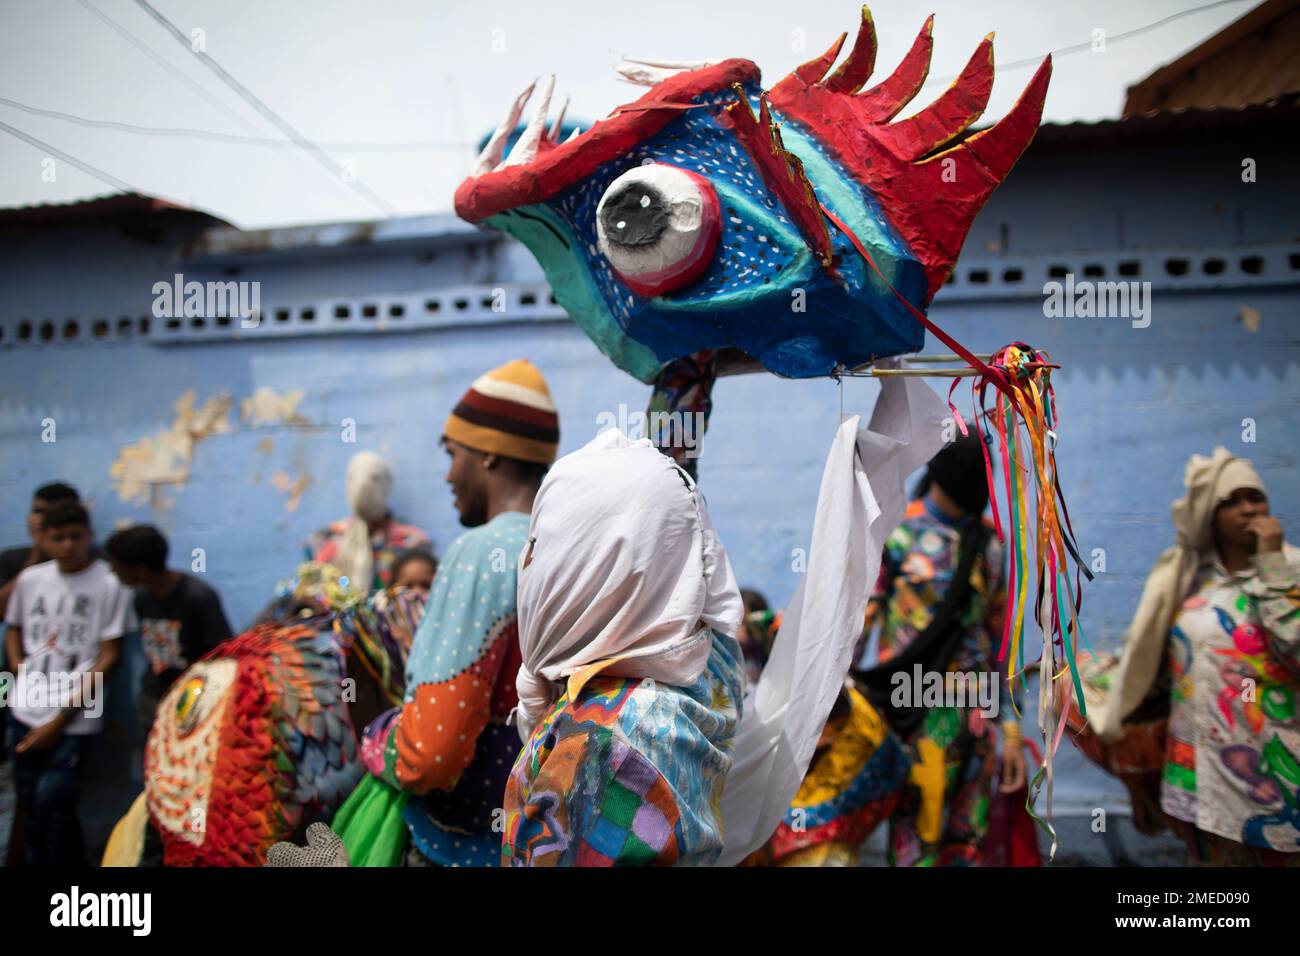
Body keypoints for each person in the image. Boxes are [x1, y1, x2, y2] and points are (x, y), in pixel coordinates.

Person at [502, 430, 746, 866]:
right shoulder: (707, 674)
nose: (530, 565)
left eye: (542, 544)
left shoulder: (600, 745)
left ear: (589, 563)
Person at [353, 358, 559, 866]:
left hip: (462, 847)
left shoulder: (481, 555)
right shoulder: (569, 546)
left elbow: (431, 756)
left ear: (489, 454)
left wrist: (375, 737)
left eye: (452, 453)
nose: (447, 475)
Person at [1093, 448, 1299, 865]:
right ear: (1210, 515)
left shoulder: (1290, 571)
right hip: (1199, 779)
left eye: (1254, 497)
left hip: (1273, 777)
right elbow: (1150, 652)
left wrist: (1272, 564)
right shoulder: (1187, 578)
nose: (1247, 509)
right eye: (1232, 501)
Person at [855, 431, 1027, 866]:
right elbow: (860, 622)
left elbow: (1001, 641)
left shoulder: (990, 544)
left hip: (977, 720)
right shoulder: (896, 532)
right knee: (917, 844)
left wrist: (1010, 730)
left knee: (968, 844)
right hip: (914, 716)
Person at [3, 501, 131, 865]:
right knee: (30, 807)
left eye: (76, 537)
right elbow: (13, 628)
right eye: (57, 538)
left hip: (75, 714)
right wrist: (17, 666)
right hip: (25, 708)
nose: (67, 546)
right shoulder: (31, 580)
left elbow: (110, 655)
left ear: (90, 536)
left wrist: (59, 721)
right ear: (42, 539)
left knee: (54, 803)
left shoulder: (109, 582)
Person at [102, 525, 233, 735]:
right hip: (154, 698)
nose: (112, 570)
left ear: (140, 569)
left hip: (192, 702)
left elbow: (223, 655)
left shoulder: (197, 597)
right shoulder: (141, 597)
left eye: (116, 565)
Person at [304, 451, 431, 593]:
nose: (362, 485)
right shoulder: (323, 541)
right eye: (353, 478)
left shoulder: (412, 543)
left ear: (388, 485)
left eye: (375, 478)